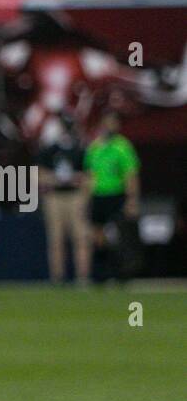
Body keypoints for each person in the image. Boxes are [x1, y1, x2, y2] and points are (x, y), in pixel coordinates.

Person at [82, 111, 140, 283]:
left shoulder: (123, 147)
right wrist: (86, 199)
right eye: (107, 123)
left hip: (116, 195)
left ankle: (122, 273)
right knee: (97, 235)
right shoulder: (94, 147)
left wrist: (131, 199)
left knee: (119, 234)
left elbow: (131, 175)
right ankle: (102, 272)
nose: (109, 127)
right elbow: (89, 175)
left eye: (112, 123)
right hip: (99, 196)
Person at [36, 114, 89, 284]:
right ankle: (57, 278)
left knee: (80, 237)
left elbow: (89, 176)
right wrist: (56, 179)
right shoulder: (49, 150)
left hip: (75, 197)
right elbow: (38, 175)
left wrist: (79, 183)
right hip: (55, 197)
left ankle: (83, 278)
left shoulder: (80, 150)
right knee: (56, 239)